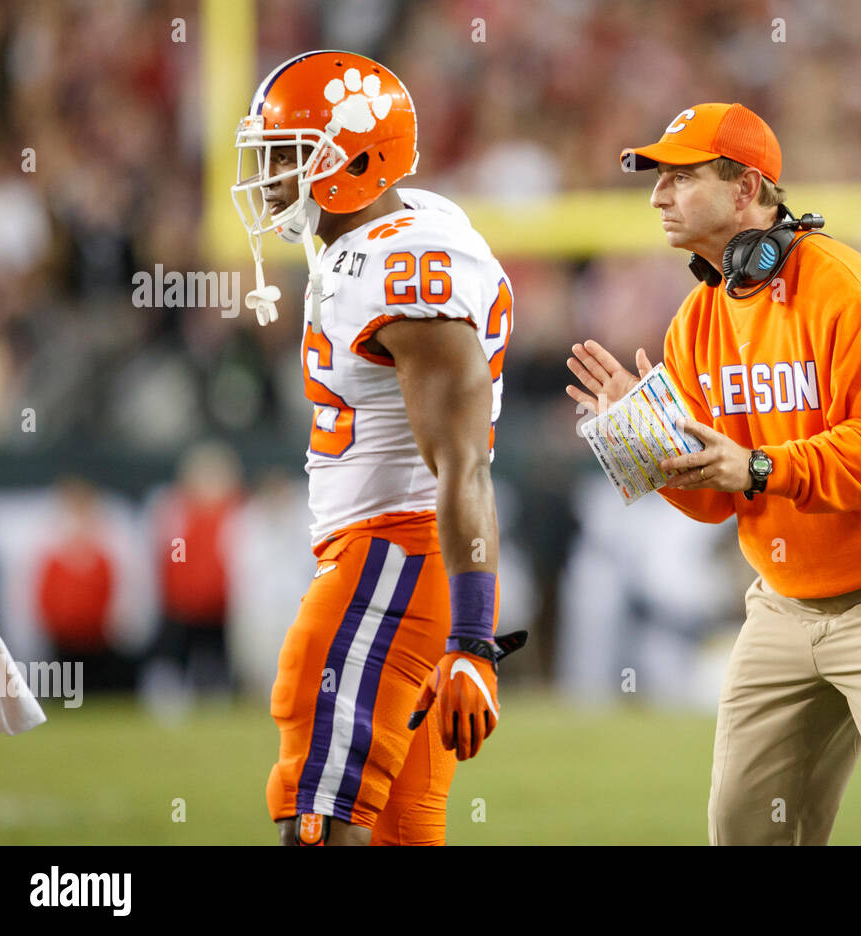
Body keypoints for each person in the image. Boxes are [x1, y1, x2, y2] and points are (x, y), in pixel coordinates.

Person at [566, 103, 861, 845]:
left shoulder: (848, 292)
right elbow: (715, 503)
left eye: (680, 177)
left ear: (746, 190)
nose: (657, 196)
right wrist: (646, 442)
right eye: (656, 180)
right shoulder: (696, 321)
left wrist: (760, 466)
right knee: (745, 827)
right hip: (786, 604)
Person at [231, 51, 520, 846]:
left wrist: (473, 641)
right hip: (400, 564)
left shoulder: (400, 263)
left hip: (390, 564)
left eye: (291, 154)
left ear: (357, 154)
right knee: (401, 830)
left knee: (320, 820)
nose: (272, 177)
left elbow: (463, 463)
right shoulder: (389, 236)